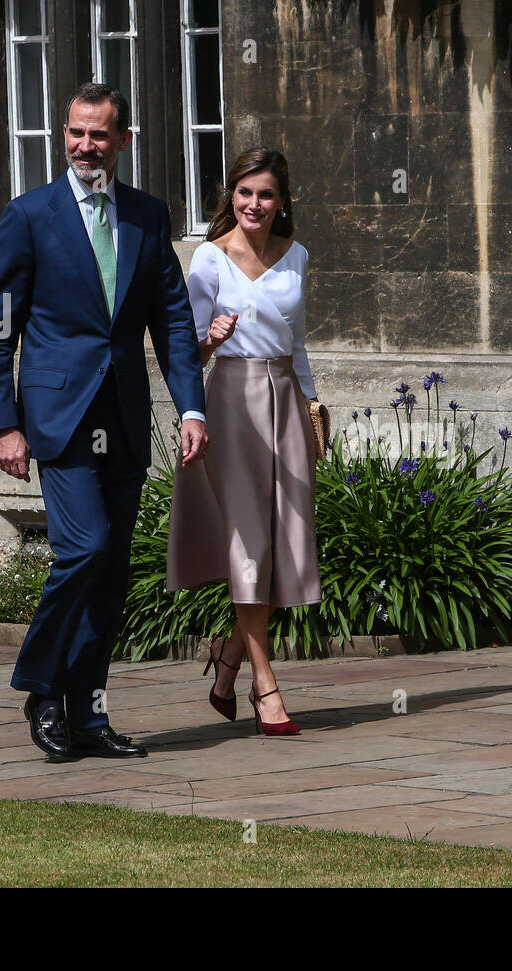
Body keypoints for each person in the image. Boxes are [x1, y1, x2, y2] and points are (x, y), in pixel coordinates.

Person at [0, 83, 208, 761]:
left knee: (108, 576)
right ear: (63, 136)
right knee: (83, 548)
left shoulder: (147, 216)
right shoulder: (29, 216)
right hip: (59, 417)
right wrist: (3, 422)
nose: (85, 146)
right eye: (75, 133)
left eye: (99, 135)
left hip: (126, 418)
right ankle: (40, 685)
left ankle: (87, 714)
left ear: (124, 141)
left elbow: (171, 320)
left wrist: (191, 405)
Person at [166, 147, 321, 736]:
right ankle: (267, 688)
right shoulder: (208, 260)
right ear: (230, 196)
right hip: (230, 401)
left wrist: (311, 405)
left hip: (286, 402)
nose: (254, 204)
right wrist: (209, 338)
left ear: (283, 202)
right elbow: (185, 354)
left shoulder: (297, 256)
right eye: (245, 193)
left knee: (287, 546)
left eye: (266, 194)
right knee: (249, 546)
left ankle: (227, 661)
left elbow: (298, 341)